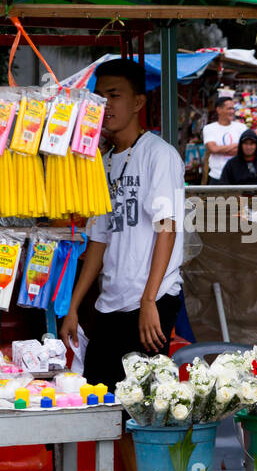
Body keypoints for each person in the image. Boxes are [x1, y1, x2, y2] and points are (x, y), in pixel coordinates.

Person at [61, 58, 185, 388]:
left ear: (138, 103)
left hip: (150, 302)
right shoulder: (104, 162)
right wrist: (73, 307)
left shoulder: (159, 154)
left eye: (114, 96)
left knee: (142, 411)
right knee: (102, 402)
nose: (105, 105)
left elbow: (167, 229)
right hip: (109, 304)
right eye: (100, 97)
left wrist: (148, 302)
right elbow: (99, 241)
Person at [202, 96, 247, 182]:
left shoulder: (242, 127)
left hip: (238, 176)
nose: (232, 111)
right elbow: (213, 149)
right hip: (217, 176)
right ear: (219, 110)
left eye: (233, 109)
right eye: (229, 109)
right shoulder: (209, 128)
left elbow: (246, 151)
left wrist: (220, 149)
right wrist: (236, 145)